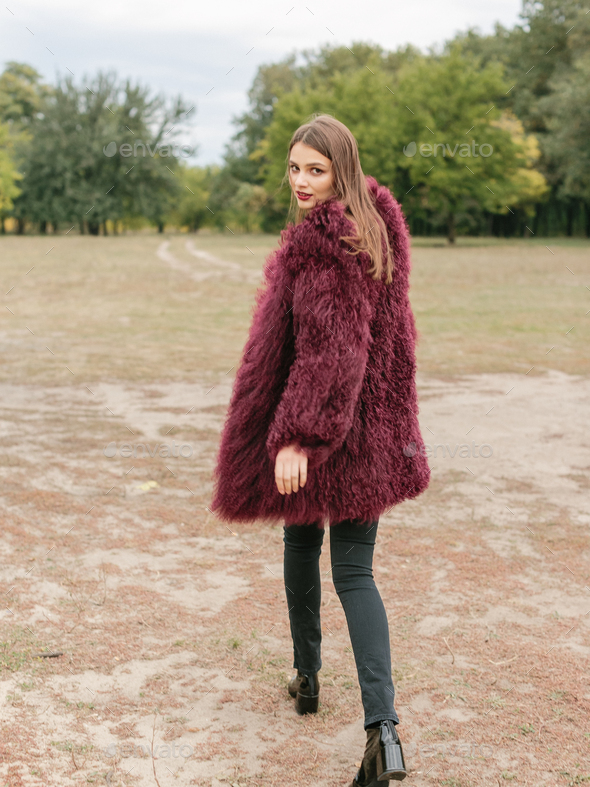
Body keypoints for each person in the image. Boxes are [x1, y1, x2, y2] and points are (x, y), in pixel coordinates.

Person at [210, 113, 431, 785]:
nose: (301, 181)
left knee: (336, 563)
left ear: (342, 172)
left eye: (317, 169)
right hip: (374, 428)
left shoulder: (326, 243)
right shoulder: (376, 229)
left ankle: (341, 701)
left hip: (331, 429)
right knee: (330, 557)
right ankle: (351, 708)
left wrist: (298, 436)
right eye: (295, 167)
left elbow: (333, 348)